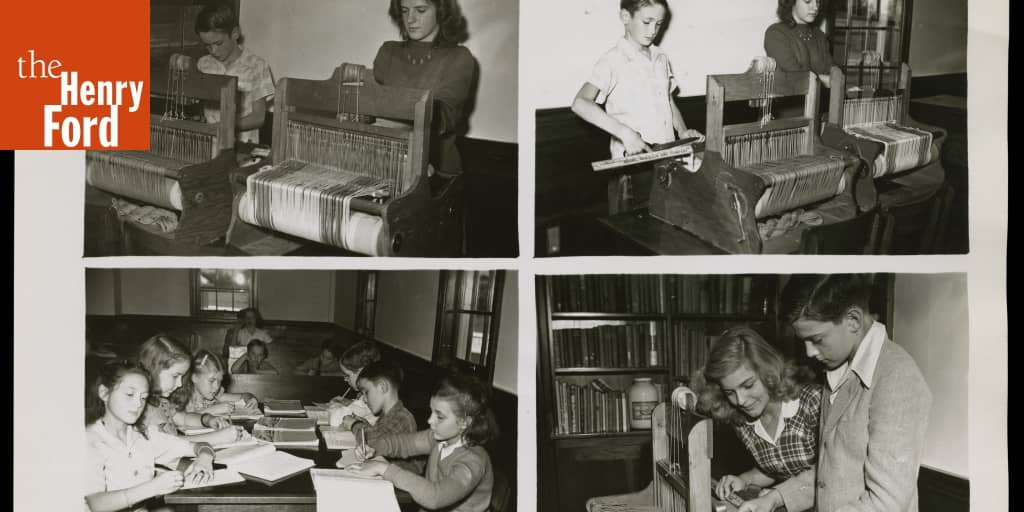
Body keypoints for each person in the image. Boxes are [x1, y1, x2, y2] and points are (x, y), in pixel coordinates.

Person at [771, 274, 931, 512]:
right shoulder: (838, 368)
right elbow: (832, 472)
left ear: (853, 320)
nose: (809, 352)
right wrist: (774, 498)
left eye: (816, 339)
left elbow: (886, 503)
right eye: (803, 341)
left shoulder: (897, 377)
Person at [571, 0, 702, 212]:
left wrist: (683, 130)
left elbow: (667, 100)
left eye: (659, 24)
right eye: (647, 22)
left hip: (667, 159)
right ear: (625, 17)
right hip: (632, 169)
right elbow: (580, 103)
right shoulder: (612, 60)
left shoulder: (661, 57)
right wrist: (625, 133)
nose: (653, 31)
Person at [693, 326, 821, 512]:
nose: (741, 401)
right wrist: (745, 479)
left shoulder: (812, 403)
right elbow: (776, 467)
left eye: (748, 385)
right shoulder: (743, 422)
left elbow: (829, 473)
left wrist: (774, 498)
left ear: (768, 371)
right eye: (730, 392)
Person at [348, 374, 497, 512]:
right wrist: (372, 448)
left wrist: (385, 469)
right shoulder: (438, 438)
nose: (430, 420)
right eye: (431, 412)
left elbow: (435, 497)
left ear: (464, 422)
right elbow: (402, 443)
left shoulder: (473, 461)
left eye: (440, 416)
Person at [85, 360, 216, 512]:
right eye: (129, 394)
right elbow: (94, 504)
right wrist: (153, 487)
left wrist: (205, 457)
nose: (138, 404)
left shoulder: (143, 435)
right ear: (104, 393)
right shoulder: (88, 441)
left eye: (143, 398)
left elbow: (199, 446)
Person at [374, 0, 477, 178]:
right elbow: (371, 102)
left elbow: (443, 117)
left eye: (420, 10)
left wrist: (388, 120)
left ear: (441, 11)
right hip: (387, 164)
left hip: (438, 172)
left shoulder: (459, 57)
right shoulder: (388, 51)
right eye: (405, 11)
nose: (410, 19)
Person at [136, 335, 242, 445]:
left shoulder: (161, 402)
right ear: (154, 371)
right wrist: (217, 438)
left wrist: (207, 420)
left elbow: (184, 418)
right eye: (175, 376)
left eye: (182, 377)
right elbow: (167, 444)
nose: (180, 383)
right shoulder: (142, 409)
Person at [193, 1, 275, 143]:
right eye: (207, 45)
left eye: (218, 44)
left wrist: (224, 127)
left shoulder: (257, 66)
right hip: (209, 144)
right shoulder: (202, 64)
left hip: (244, 148)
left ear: (235, 34)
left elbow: (258, 117)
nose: (214, 51)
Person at [337, 360, 424, 475]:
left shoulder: (402, 417)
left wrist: (355, 425)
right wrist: (363, 423)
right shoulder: (388, 414)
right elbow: (381, 435)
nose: (364, 399)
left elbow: (374, 441)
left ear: (382, 387)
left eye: (366, 392)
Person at [764, 0, 836, 88]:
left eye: (817, 1)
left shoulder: (819, 35)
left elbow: (833, 72)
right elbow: (796, 77)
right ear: (791, 2)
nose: (815, 7)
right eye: (808, 1)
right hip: (791, 100)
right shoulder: (776, 33)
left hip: (820, 100)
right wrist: (827, 80)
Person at [170, 350, 258, 414]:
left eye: (220, 381)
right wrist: (211, 410)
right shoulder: (183, 399)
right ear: (194, 377)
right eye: (211, 381)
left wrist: (250, 399)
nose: (216, 387)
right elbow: (181, 420)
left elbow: (243, 395)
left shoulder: (215, 395)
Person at [222, 308, 273, 372]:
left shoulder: (263, 333)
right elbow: (233, 348)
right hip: (244, 362)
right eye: (247, 317)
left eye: (252, 317)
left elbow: (271, 349)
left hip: (259, 362)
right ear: (244, 319)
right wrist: (236, 329)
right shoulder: (240, 332)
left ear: (256, 319)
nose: (249, 319)